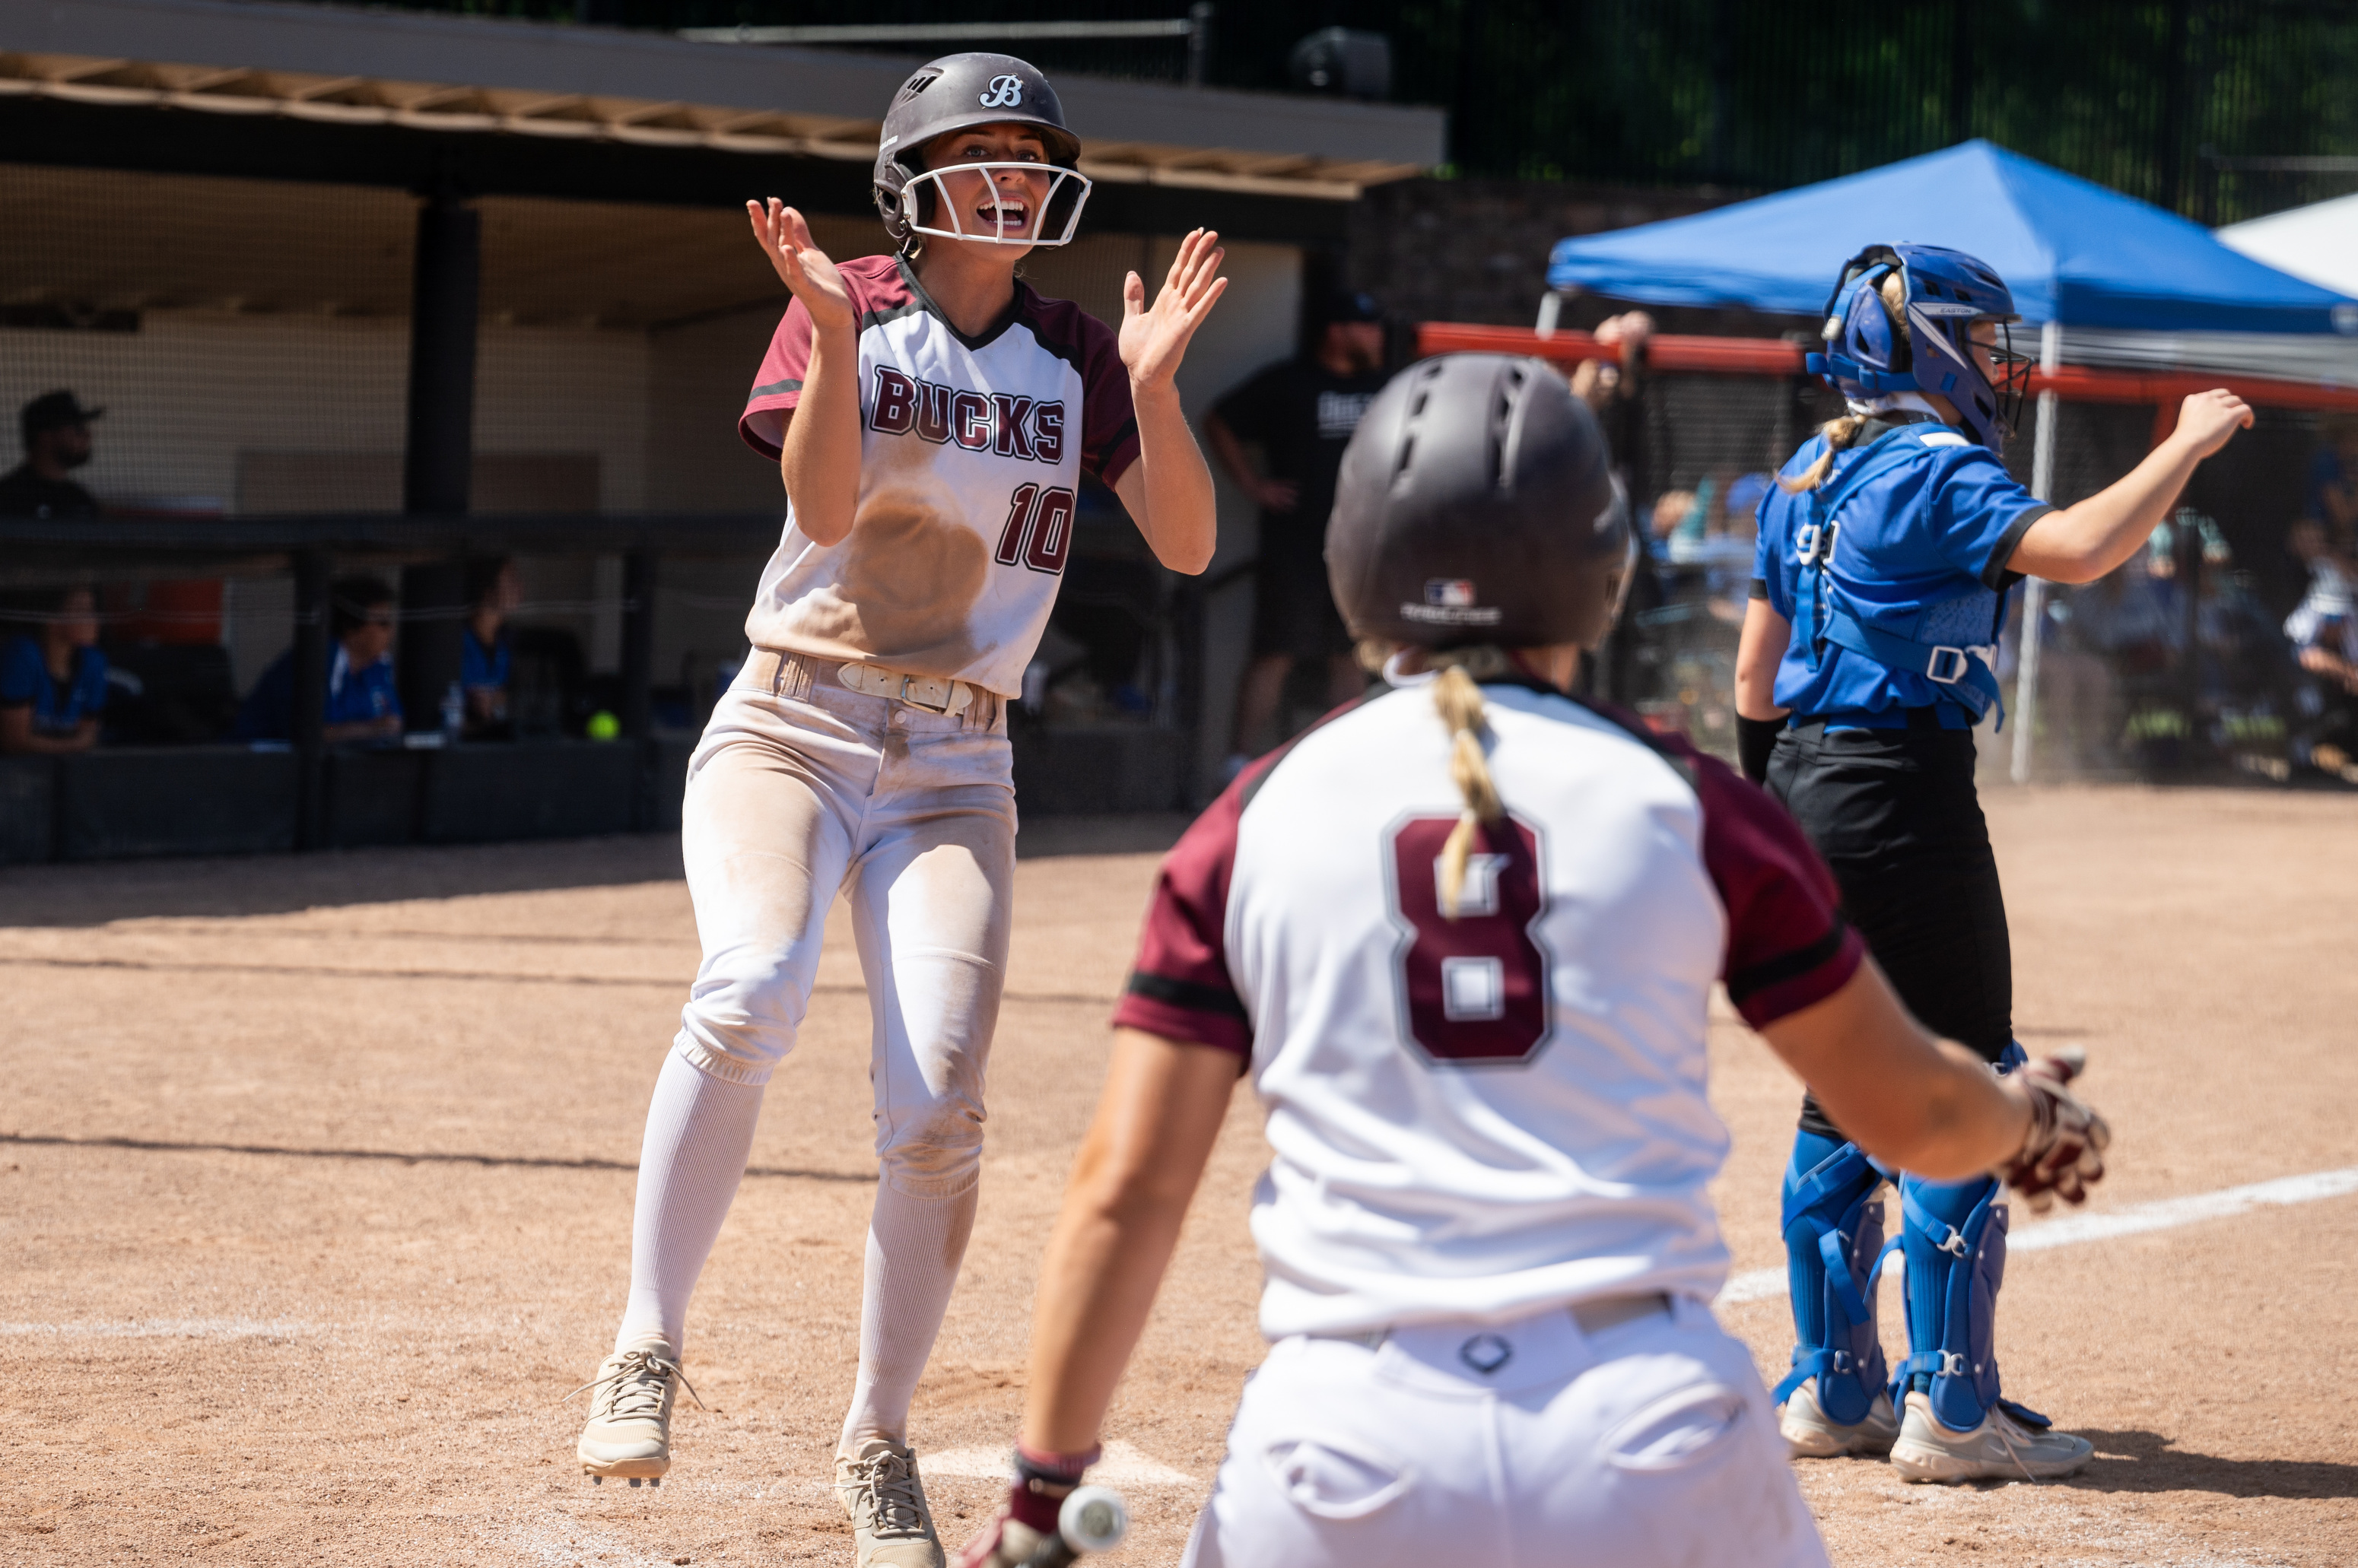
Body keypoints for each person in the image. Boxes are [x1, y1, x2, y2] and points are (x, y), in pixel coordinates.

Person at [949, 354, 2112, 1568]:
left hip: (1345, 1436)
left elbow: (1126, 1191)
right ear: (1601, 572)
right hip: (1646, 1432)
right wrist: (2024, 1114)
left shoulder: (1254, 816)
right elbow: (1914, 1112)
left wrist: (1043, 1490)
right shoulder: (1692, 803)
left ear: (1355, 566)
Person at [561, 52, 1226, 1568]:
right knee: (748, 986)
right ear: (910, 181)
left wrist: (1157, 388)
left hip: (956, 764)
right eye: (974, 152)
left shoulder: (1076, 353)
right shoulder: (853, 296)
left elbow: (1184, 544)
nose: (1004, 176)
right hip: (791, 721)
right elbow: (818, 508)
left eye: (1025, 153)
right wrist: (840, 337)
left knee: (938, 1106)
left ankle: (877, 1434)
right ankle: (645, 1341)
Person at [1732, 244, 2247, 1479]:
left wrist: (1787, 820)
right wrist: (2181, 447)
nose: (2001, 366)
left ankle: (1830, 1384)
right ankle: (1952, 1412)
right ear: (1926, 348)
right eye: (1982, 340)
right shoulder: (1936, 465)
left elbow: (1752, 677)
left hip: (1802, 786)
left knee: (1840, 1082)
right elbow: (2071, 550)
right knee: (1972, 1067)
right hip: (1903, 792)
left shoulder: (1802, 468)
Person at [1205, 290, 1388, 772]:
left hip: (1361, 549)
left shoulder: (1384, 386)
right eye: (1365, 327)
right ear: (1336, 332)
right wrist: (1254, 485)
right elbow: (1219, 420)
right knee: (1276, 652)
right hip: (1296, 547)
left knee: (1351, 657)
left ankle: (1343, 768)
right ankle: (1236, 765)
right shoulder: (1290, 383)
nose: (1376, 337)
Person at [232, 575, 403, 743]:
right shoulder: (314, 661)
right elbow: (312, 731)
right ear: (351, 627)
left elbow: (392, 722)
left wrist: (378, 728)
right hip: (258, 761)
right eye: (383, 623)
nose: (391, 631)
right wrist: (369, 730)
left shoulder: (379, 665)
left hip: (340, 766)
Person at [0, 584, 107, 754]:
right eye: (81, 610)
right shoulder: (22, 655)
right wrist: (72, 747)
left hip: (68, 772)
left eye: (92, 609)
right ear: (52, 616)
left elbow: (89, 734)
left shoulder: (93, 661)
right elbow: (14, 741)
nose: (92, 618)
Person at [0, 391, 103, 519]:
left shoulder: (81, 500)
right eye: (77, 428)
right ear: (45, 436)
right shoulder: (9, 497)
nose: (87, 435)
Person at [462, 556, 520, 738]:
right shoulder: (456, 642)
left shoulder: (506, 641)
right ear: (487, 591)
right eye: (511, 581)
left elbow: (506, 696)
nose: (519, 587)